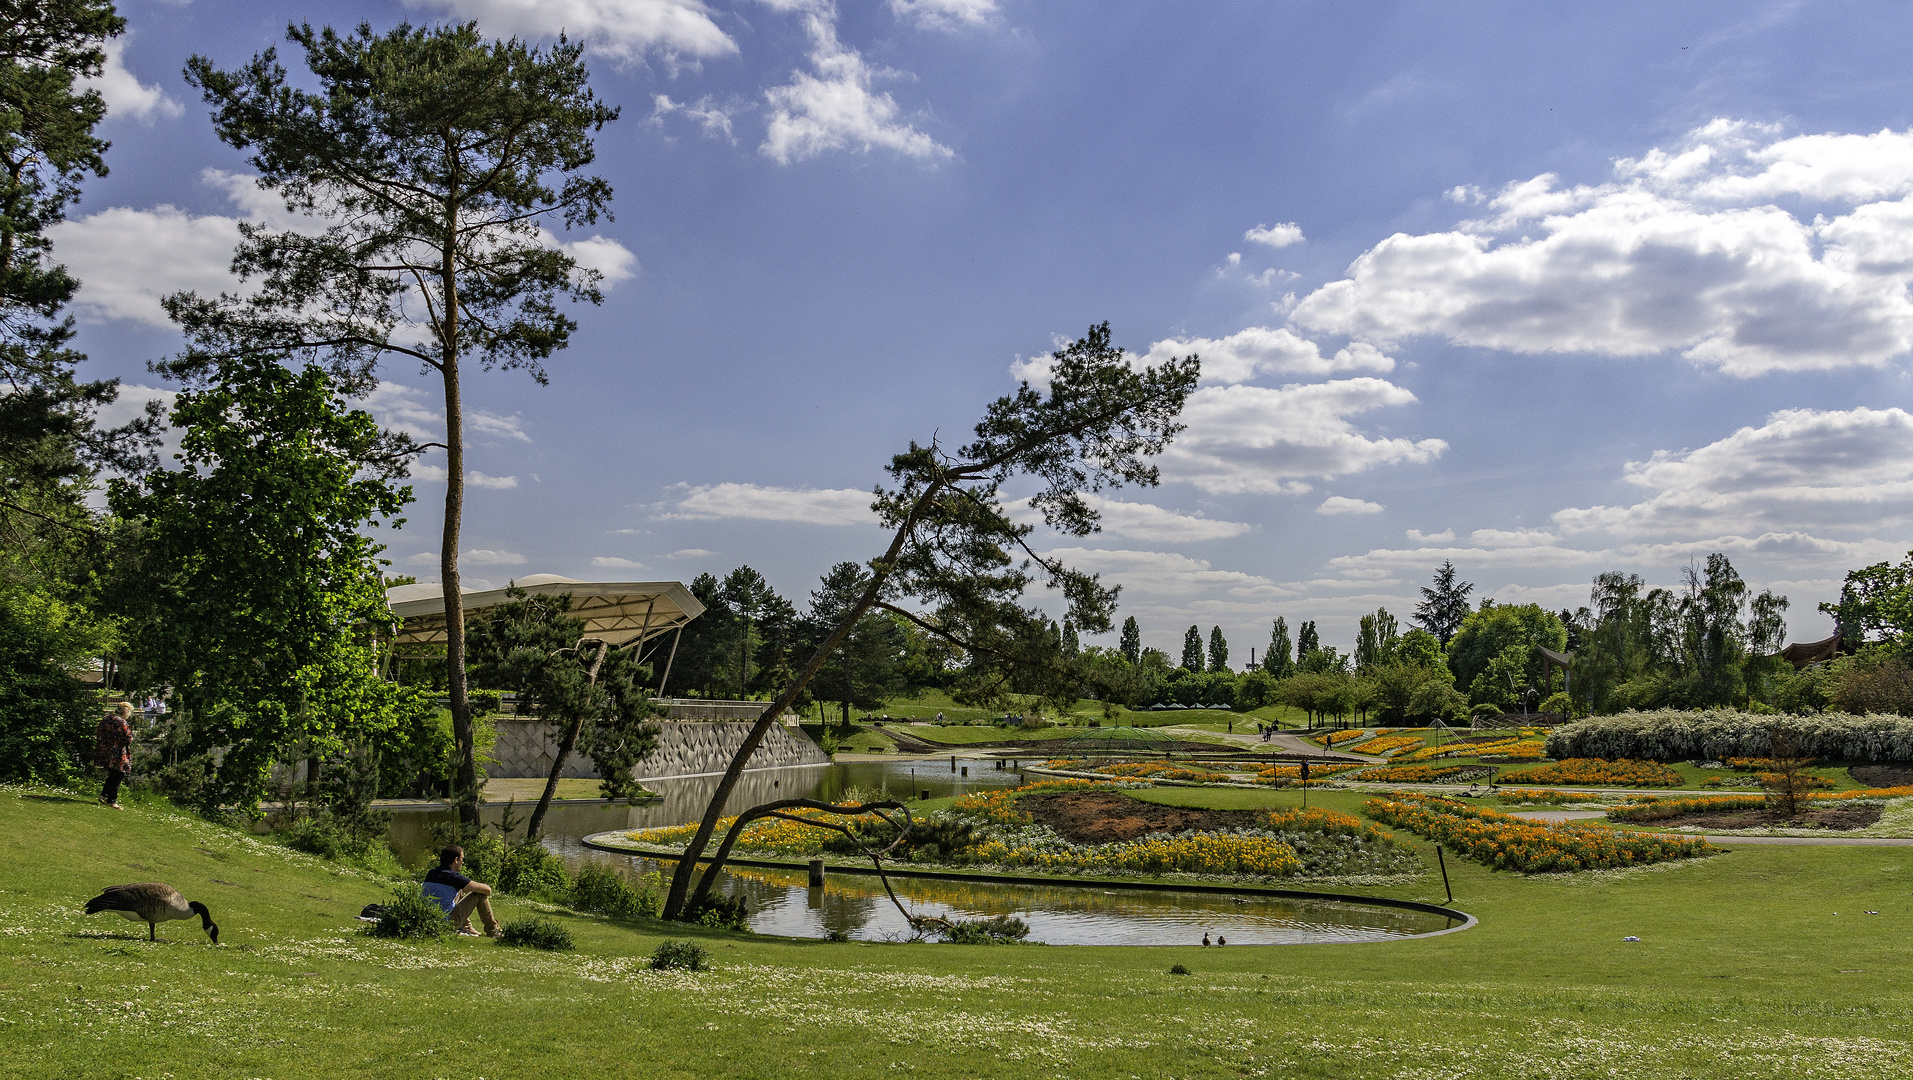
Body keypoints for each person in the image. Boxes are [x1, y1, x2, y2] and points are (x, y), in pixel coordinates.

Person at [424, 845, 500, 937]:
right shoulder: (454, 877)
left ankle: (467, 927)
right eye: (462, 859)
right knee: (479, 895)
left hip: (428, 920)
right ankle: (493, 930)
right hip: (447, 923)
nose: (463, 862)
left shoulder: (431, 873)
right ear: (456, 860)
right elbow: (487, 890)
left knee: (460, 890)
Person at [95, 702, 133, 810]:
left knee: (112, 774)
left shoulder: (106, 718)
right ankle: (111, 800)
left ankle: (104, 795)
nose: (129, 714)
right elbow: (128, 737)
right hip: (117, 752)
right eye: (129, 712)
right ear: (125, 711)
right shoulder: (121, 721)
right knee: (119, 773)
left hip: (105, 750)